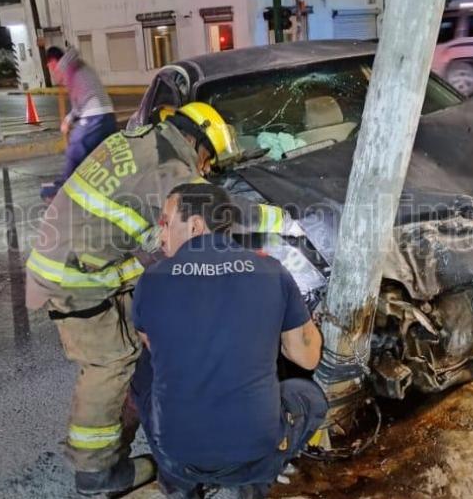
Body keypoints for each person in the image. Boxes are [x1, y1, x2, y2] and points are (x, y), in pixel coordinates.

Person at [25, 103, 302, 496]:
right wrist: (285, 220)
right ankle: (95, 472)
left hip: (84, 257)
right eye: (208, 159)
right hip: (74, 277)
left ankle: (139, 429)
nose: (206, 169)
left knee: (145, 341)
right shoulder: (169, 169)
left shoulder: (142, 141)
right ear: (197, 141)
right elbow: (225, 211)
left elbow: (148, 226)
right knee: (111, 362)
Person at [129, 183, 328, 499]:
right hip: (255, 451)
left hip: (181, 455)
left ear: (195, 226)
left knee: (144, 375)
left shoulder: (150, 281)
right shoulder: (271, 270)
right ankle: (257, 479)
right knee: (309, 395)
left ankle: (178, 484)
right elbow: (307, 357)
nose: (161, 234)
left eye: (165, 223)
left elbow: (157, 348)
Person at [43, 46, 117, 200]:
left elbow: (78, 104)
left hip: (95, 116)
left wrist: (68, 120)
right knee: (98, 155)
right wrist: (70, 118)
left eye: (50, 67)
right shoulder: (80, 65)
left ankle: (63, 192)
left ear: (53, 62)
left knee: (75, 150)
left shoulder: (68, 68)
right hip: (108, 115)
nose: (52, 73)